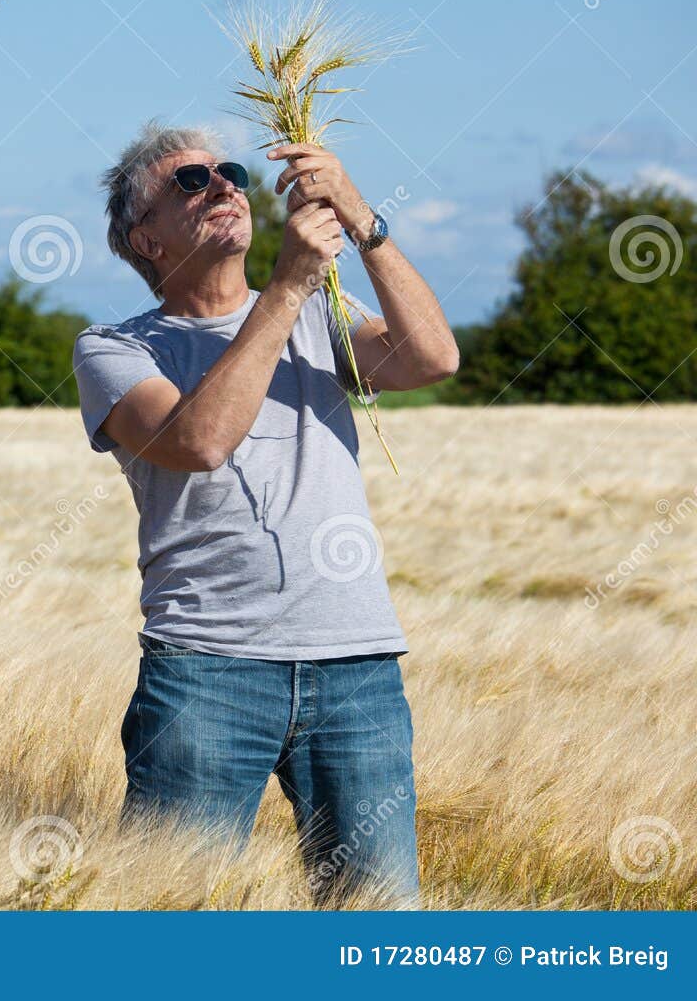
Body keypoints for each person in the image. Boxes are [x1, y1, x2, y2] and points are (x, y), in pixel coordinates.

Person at [72, 122, 460, 904]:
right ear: (146, 238)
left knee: (375, 921)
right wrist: (287, 286)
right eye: (190, 181)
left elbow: (432, 358)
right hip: (205, 669)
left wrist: (359, 216)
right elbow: (200, 441)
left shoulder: (321, 313)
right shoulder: (116, 349)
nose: (222, 184)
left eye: (229, 171)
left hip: (356, 665)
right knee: (173, 917)